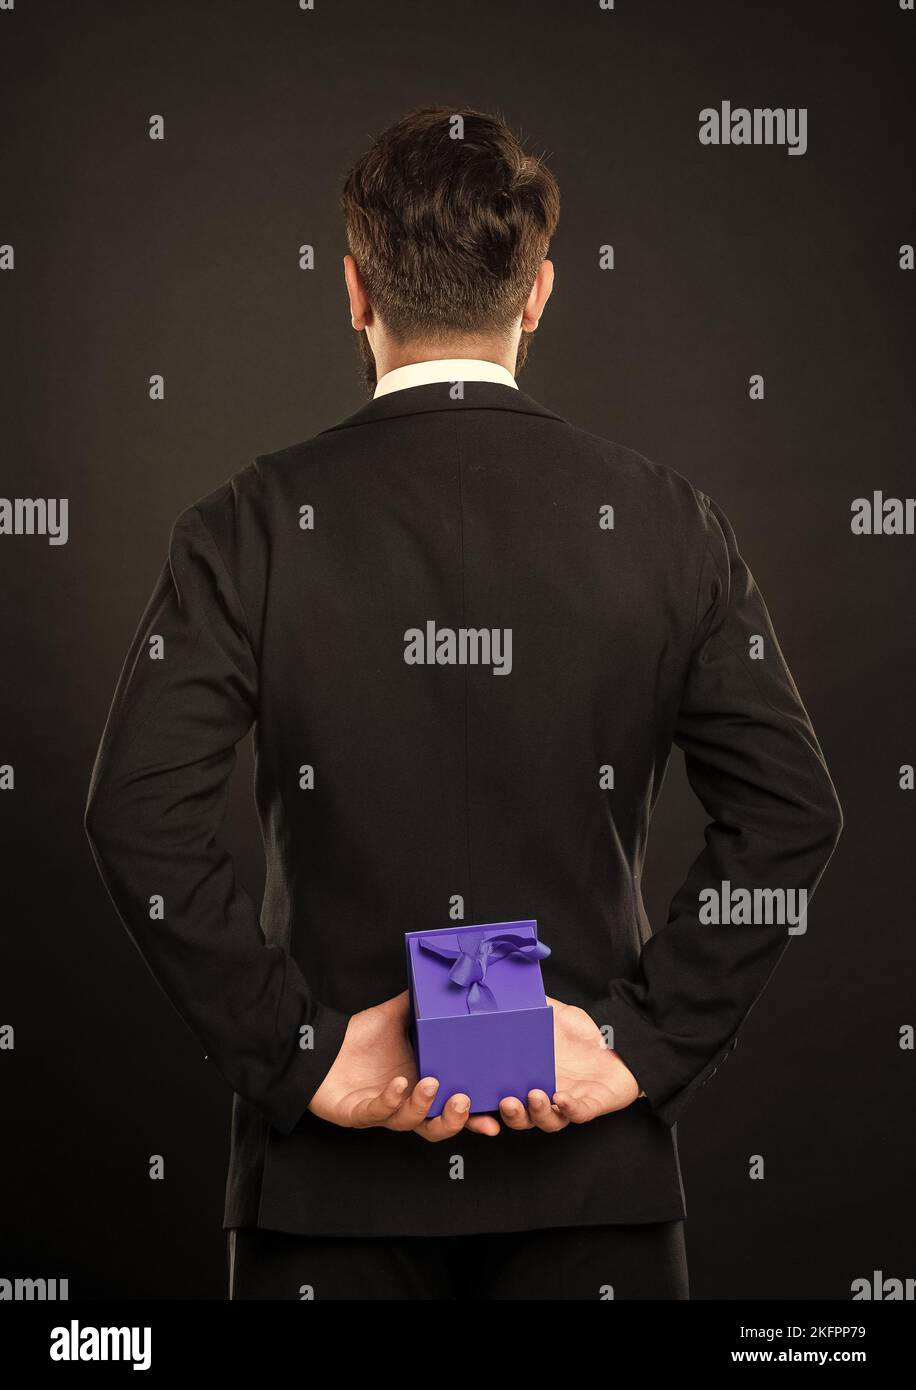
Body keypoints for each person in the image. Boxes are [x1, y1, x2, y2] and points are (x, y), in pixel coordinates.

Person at [84, 106, 843, 1301]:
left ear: (352, 289)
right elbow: (794, 814)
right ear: (537, 293)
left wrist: (305, 1055)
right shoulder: (665, 524)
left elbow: (136, 817)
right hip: (594, 1183)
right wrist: (640, 1047)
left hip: (324, 1197)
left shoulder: (249, 523)